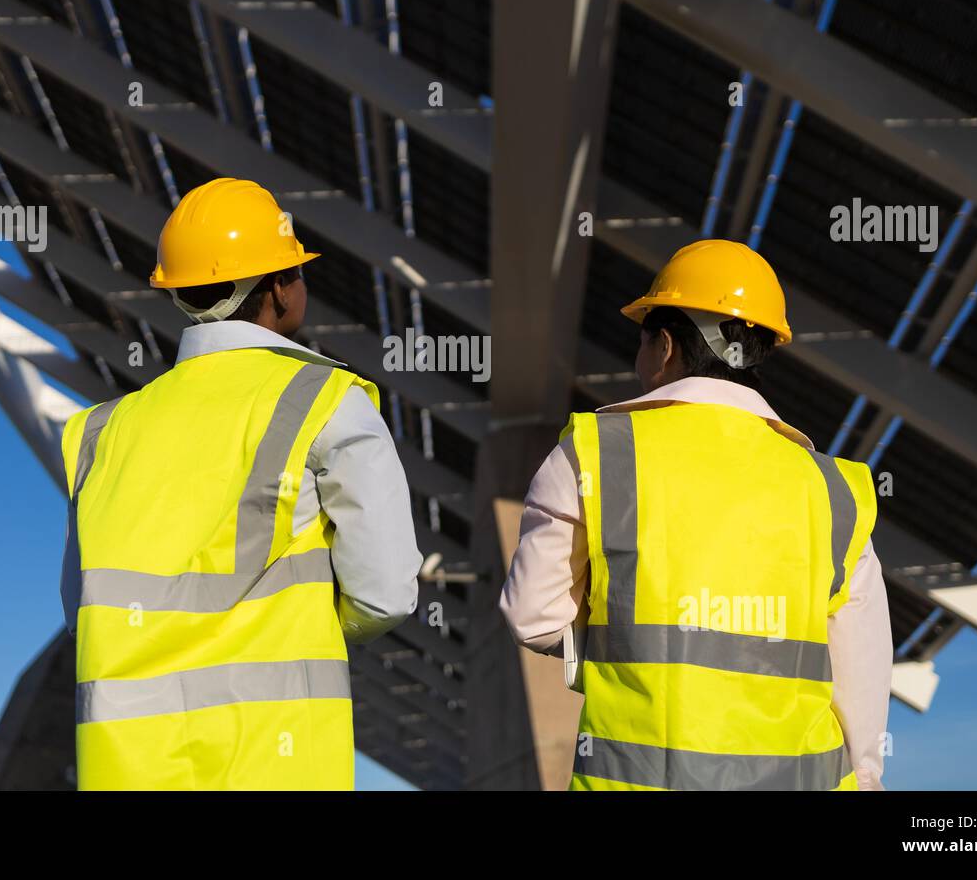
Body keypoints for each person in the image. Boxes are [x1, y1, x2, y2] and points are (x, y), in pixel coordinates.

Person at [59, 177, 422, 790]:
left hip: (125, 771)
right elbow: (385, 593)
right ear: (277, 290)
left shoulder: (101, 431)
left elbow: (83, 611)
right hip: (273, 767)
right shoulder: (325, 400)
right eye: (296, 270)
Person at [499, 239, 892, 790]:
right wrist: (867, 775)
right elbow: (861, 668)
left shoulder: (595, 450)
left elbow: (533, 616)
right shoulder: (835, 488)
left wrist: (632, 648)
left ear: (663, 346)